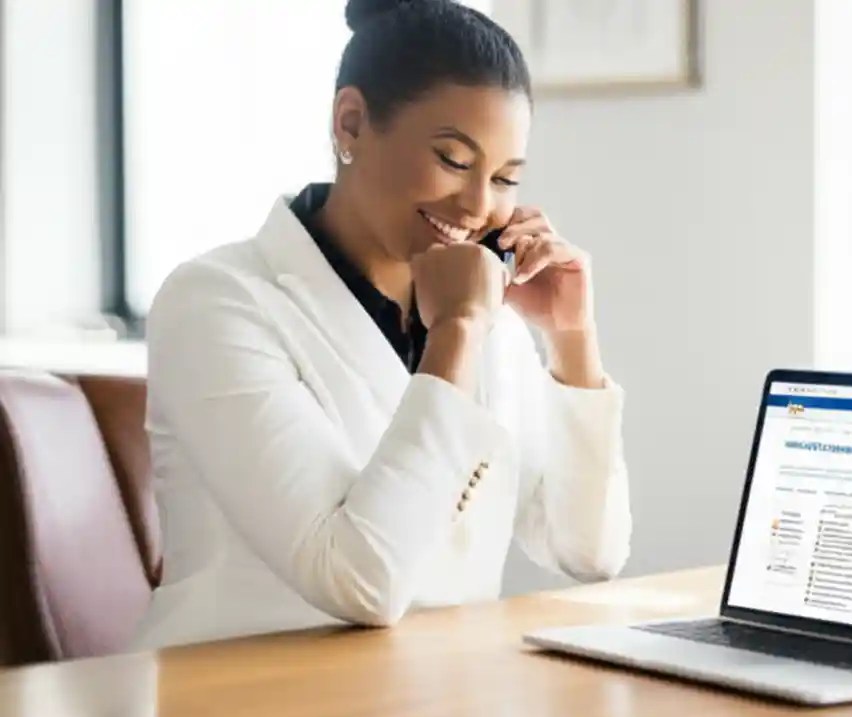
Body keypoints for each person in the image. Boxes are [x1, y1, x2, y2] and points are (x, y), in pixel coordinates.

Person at [131, 0, 631, 650]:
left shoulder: (491, 320)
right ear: (351, 123)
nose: (479, 206)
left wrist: (571, 338)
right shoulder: (214, 303)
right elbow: (357, 580)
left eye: (506, 178)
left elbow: (589, 551)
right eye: (454, 160)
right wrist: (456, 332)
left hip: (438, 684)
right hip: (247, 688)